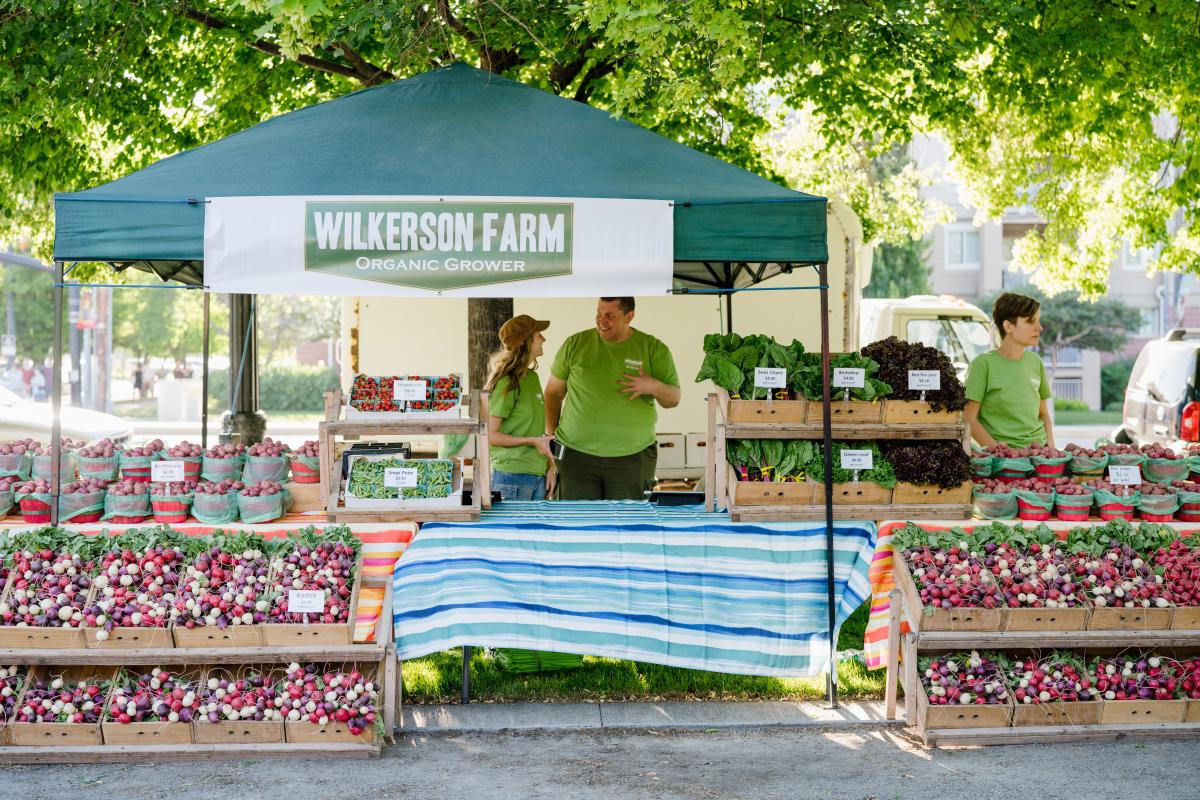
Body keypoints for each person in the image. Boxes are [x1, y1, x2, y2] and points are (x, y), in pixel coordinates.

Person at [544, 297, 680, 500]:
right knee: (577, 526)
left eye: (609, 316)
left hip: (632, 457)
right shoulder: (575, 344)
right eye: (598, 313)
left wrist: (653, 386)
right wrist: (550, 439)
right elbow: (553, 393)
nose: (601, 320)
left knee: (627, 527)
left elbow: (673, 399)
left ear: (629, 316)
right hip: (575, 456)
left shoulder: (653, 348)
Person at [964, 291, 1056, 448]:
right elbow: (968, 418)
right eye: (1030, 321)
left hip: (1040, 455)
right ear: (1008, 326)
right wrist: (1000, 453)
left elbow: (1043, 413)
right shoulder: (982, 365)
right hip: (1003, 461)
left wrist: (1052, 449)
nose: (1039, 328)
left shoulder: (1036, 362)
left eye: (1038, 321)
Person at [485, 314, 555, 501]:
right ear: (525, 341)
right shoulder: (507, 382)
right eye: (538, 334)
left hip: (538, 475)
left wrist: (550, 467)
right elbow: (491, 435)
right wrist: (534, 441)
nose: (543, 338)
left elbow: (537, 432)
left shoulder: (532, 378)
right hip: (511, 476)